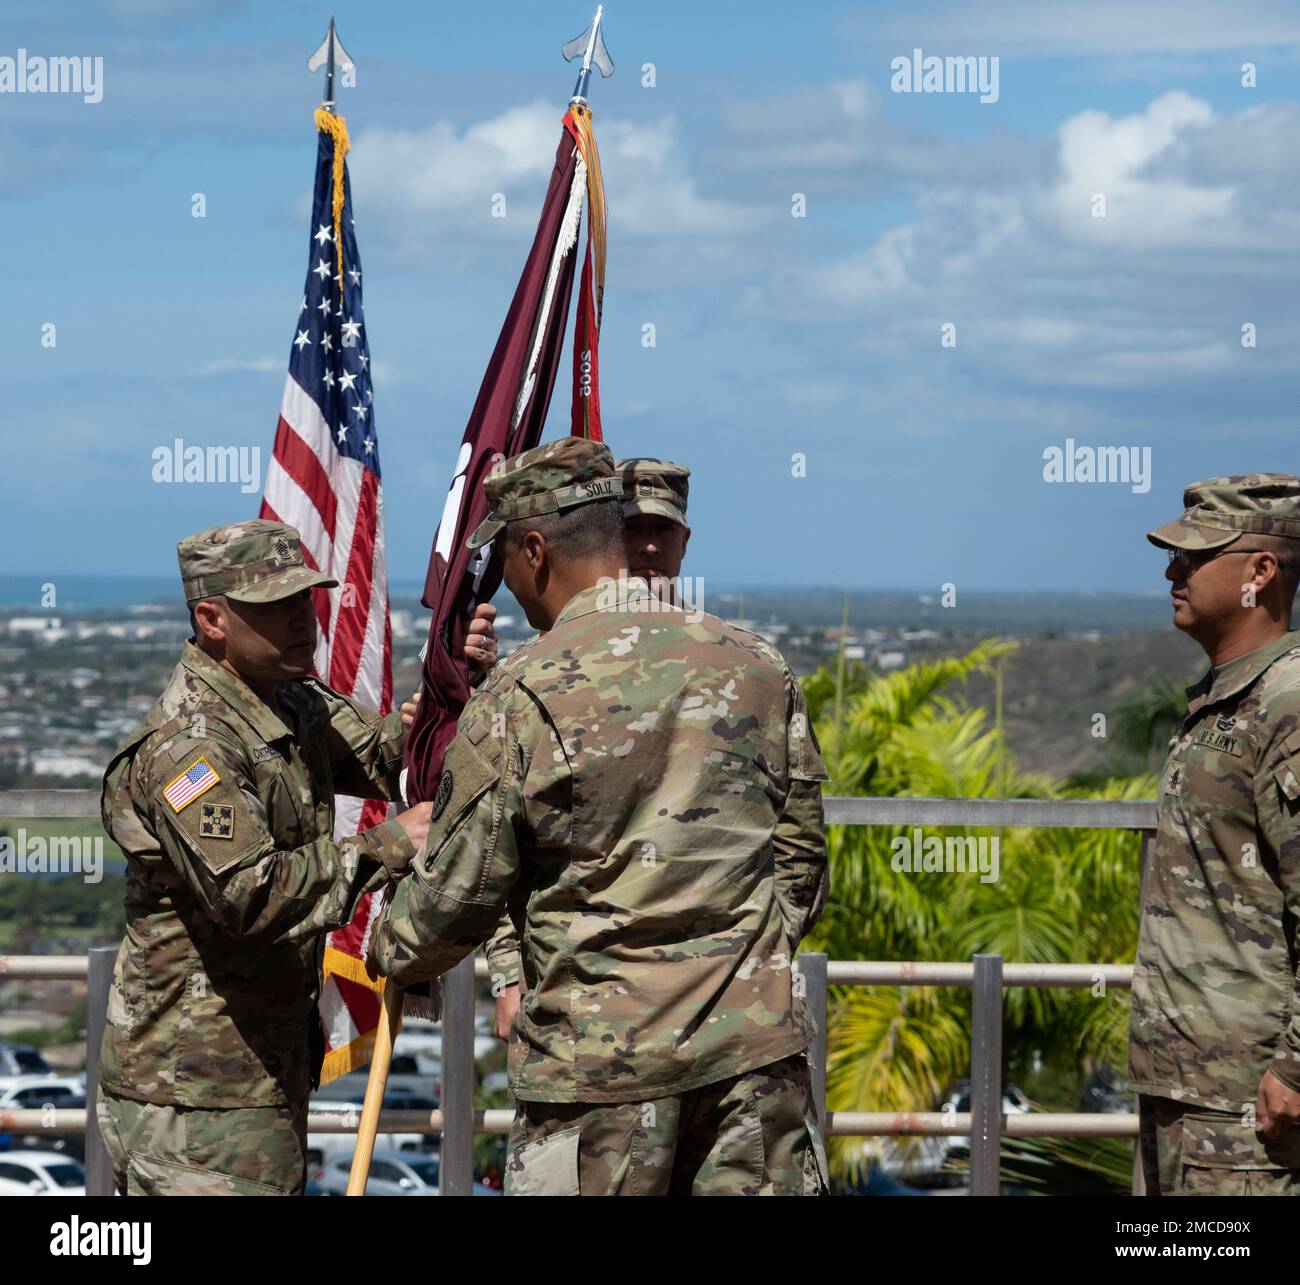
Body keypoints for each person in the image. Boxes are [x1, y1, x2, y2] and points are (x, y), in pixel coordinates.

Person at [370, 437, 831, 1195]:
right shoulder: (756, 663)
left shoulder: (521, 694)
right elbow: (801, 860)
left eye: (506, 561)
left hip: (598, 1086)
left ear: (535, 548)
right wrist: (738, 965)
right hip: (753, 1066)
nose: (506, 581)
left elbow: (456, 900)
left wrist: (391, 941)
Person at [96, 519, 494, 1195]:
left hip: (256, 1074)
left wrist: (455, 683)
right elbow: (255, 893)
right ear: (211, 619)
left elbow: (390, 758)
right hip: (196, 1093)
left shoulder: (286, 697)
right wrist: (392, 843)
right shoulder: (188, 747)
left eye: (303, 601)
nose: (300, 621)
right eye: (274, 607)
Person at [1130, 474, 1300, 1195]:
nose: (1173, 570)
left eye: (1194, 555)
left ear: (1261, 572)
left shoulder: (1286, 705)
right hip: (1185, 1086)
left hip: (1248, 1105)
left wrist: (1294, 1065)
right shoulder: (1227, 696)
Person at [486, 456, 692, 1038]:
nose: (647, 549)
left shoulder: (735, 667)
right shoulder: (532, 679)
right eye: (632, 532)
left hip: (708, 1000)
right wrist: (509, 972)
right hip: (578, 1000)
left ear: (685, 544)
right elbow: (503, 842)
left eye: (663, 532)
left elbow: (792, 848)